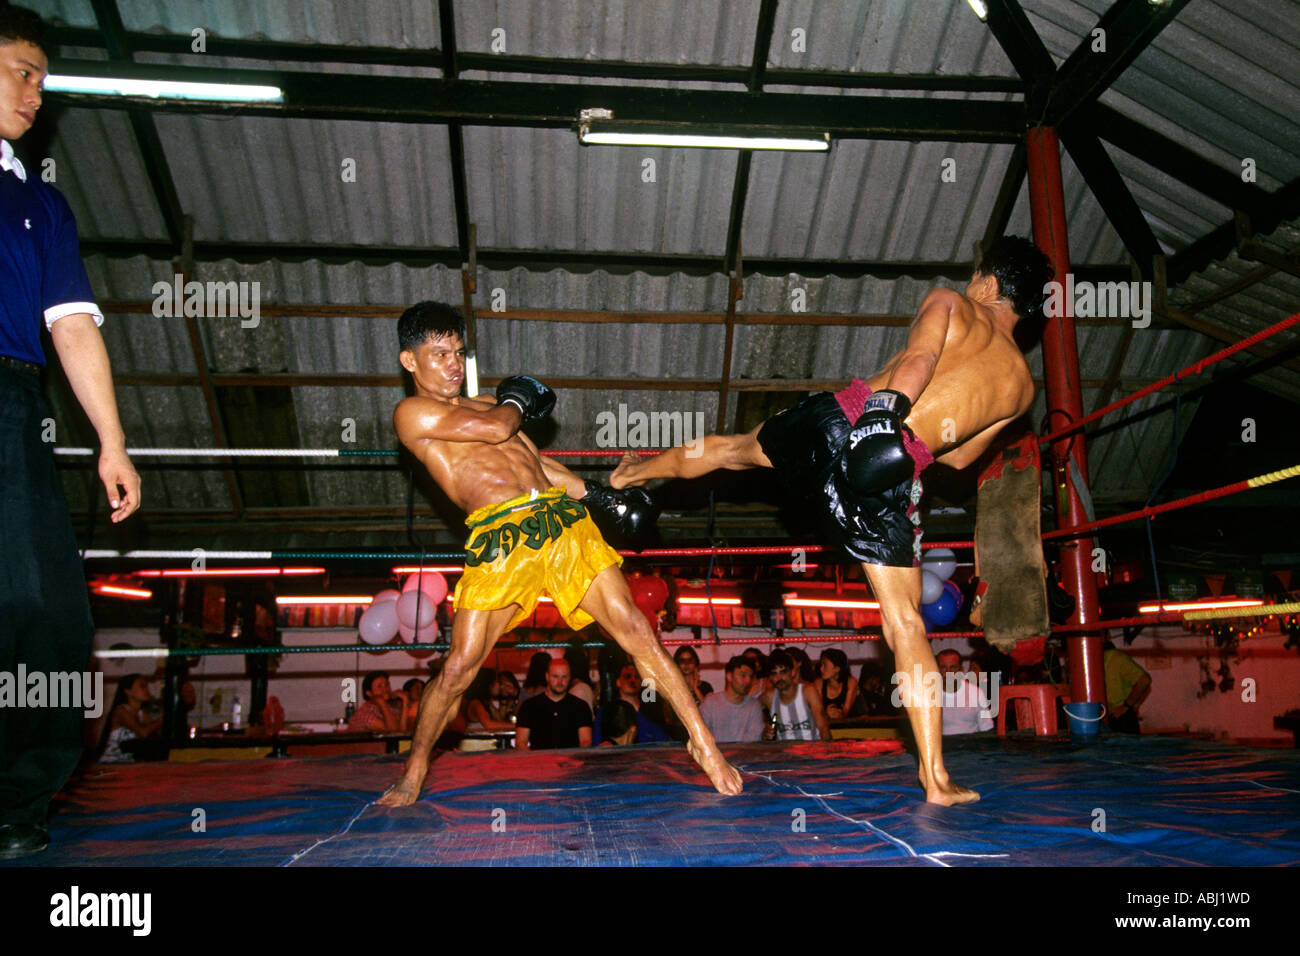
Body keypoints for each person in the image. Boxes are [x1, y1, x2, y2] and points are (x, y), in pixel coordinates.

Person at [610, 236, 1053, 804]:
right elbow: (964, 456)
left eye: (976, 277)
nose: (970, 284)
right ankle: (936, 777)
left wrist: (882, 419)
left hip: (849, 420)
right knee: (905, 624)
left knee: (732, 450)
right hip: (893, 471)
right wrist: (900, 447)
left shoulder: (953, 303)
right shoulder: (1021, 387)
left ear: (989, 284)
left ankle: (630, 475)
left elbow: (918, 360)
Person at [378, 303, 742, 804]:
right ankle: (415, 766)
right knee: (462, 664)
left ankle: (704, 744)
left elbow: (540, 465)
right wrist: (517, 403)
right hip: (501, 536)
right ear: (409, 360)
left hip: (558, 521)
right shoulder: (412, 413)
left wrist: (599, 497)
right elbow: (497, 431)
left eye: (458, 352)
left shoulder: (491, 403)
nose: (452, 364)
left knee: (635, 627)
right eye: (439, 354)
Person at [1, 6, 142, 859]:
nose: (33, 90)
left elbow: (72, 323)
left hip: (13, 407)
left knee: (40, 608)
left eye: (41, 78)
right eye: (18, 68)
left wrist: (112, 442)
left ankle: (16, 803)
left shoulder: (38, 200)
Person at [514, 658, 592, 750]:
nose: (560, 681)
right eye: (555, 676)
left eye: (564, 677)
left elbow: (585, 741)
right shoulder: (529, 706)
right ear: (547, 677)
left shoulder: (581, 707)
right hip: (540, 762)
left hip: (572, 762)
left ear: (570, 677)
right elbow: (520, 743)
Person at [761, 650, 830, 742]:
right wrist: (763, 726)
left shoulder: (808, 692)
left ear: (792, 672)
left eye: (783, 672)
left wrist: (826, 752)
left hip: (811, 751)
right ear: (770, 677)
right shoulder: (769, 697)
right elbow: (749, 707)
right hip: (784, 753)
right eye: (774, 673)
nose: (779, 678)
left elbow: (823, 728)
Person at [699, 656, 765, 743]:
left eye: (750, 677)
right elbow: (701, 736)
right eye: (743, 675)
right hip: (714, 755)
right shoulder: (711, 702)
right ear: (729, 676)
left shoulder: (754, 706)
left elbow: (753, 741)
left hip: (743, 755)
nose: (747, 681)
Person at [97, 675, 161, 763]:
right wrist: (161, 720)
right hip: (111, 762)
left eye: (146, 686)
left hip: (128, 762)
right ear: (128, 691)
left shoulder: (141, 713)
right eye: (142, 686)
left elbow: (157, 730)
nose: (147, 690)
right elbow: (143, 733)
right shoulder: (121, 711)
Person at [936, 650, 993, 735]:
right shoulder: (928, 695)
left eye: (952, 667)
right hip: (941, 747)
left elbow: (986, 729)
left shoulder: (976, 693)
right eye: (943, 667)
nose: (948, 672)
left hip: (970, 745)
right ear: (937, 670)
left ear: (961, 669)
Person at [1103, 639, 1151, 734]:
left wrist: (1126, 706)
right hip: (1107, 716)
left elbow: (1144, 680)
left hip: (1121, 717)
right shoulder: (1104, 660)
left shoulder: (1116, 658)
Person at [815, 648, 859, 720]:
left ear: (837, 668)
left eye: (824, 665)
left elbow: (846, 711)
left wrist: (839, 714)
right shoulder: (818, 683)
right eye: (821, 664)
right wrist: (826, 714)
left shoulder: (851, 682)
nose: (821, 668)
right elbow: (818, 711)